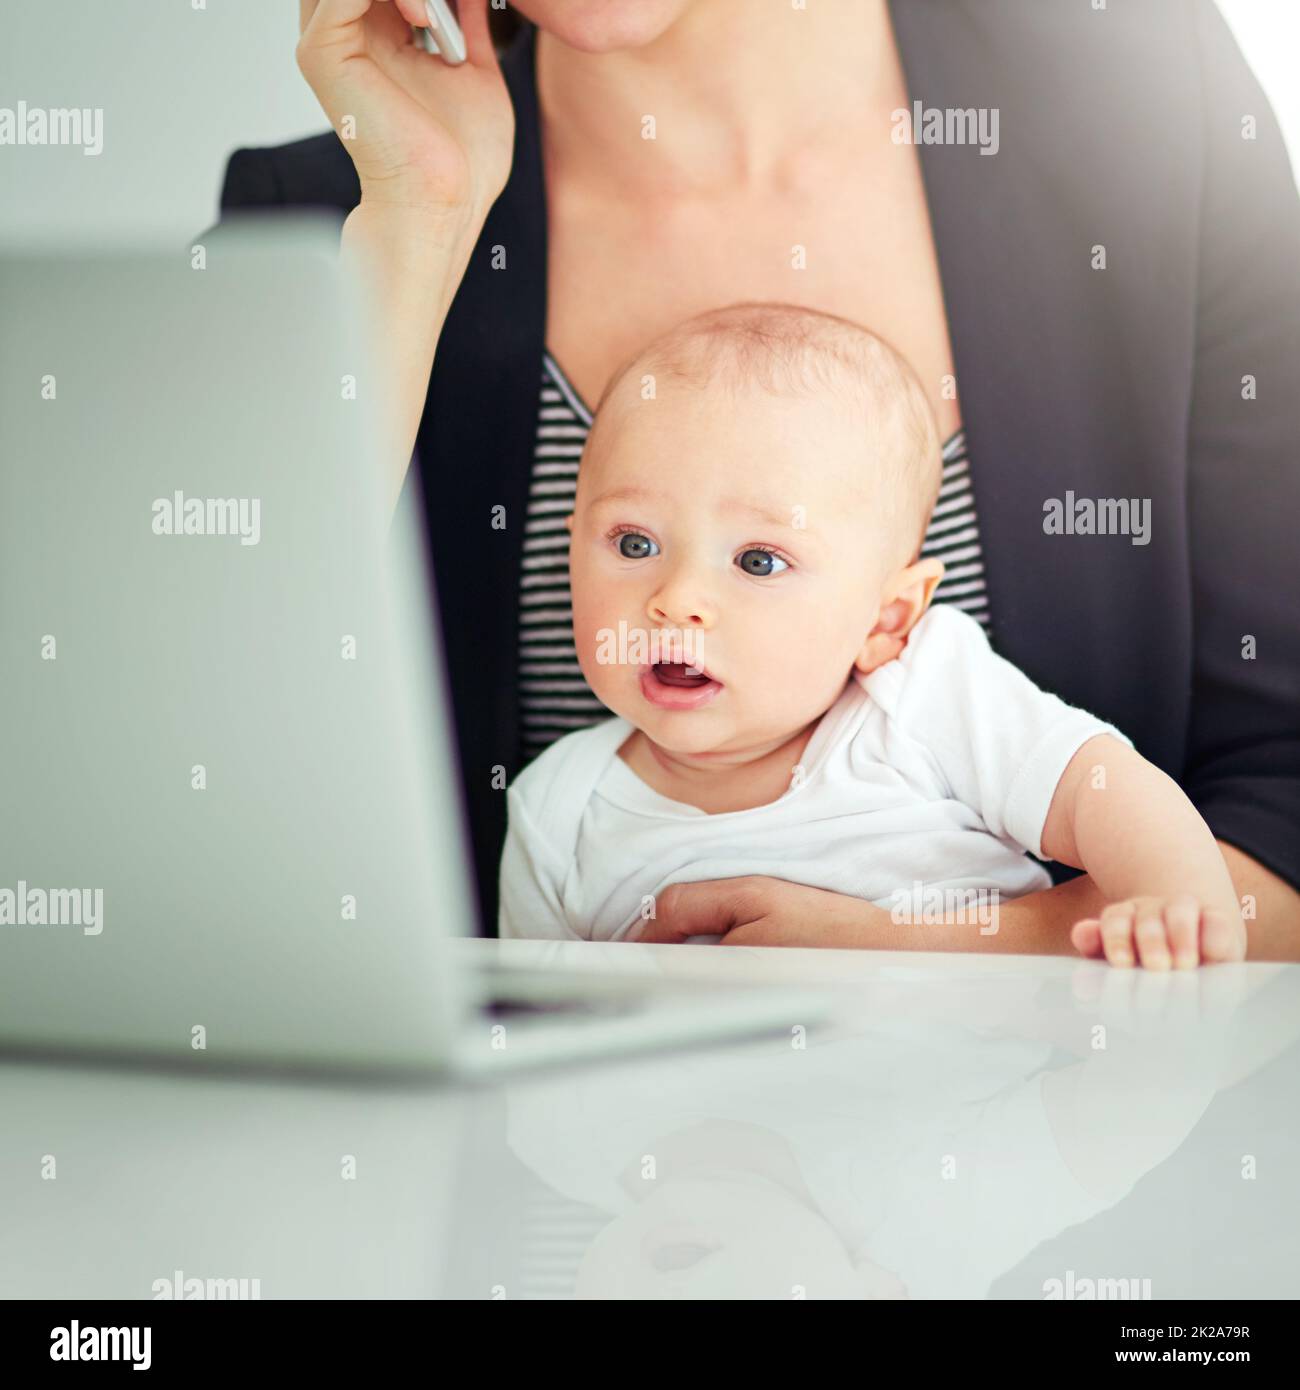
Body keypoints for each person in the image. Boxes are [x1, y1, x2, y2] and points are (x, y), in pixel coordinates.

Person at [218, 0, 1300, 952]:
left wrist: (922, 952)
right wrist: (415, 224)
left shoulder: (1141, 89)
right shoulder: (342, 218)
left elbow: (1281, 799)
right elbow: (199, 801)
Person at [497, 302, 1244, 967]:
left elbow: (1097, 786)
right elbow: (531, 1028)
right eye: (633, 544)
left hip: (982, 1105)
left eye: (759, 560)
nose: (677, 599)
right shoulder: (558, 807)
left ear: (887, 620)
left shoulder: (924, 697)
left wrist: (1173, 896)